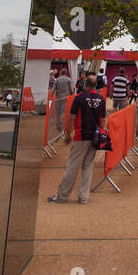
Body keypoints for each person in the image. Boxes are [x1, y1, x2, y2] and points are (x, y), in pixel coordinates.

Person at [47, 74, 106, 205]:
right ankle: (84, 197)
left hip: (81, 136)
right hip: (95, 136)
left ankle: (62, 196)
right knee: (88, 167)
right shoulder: (101, 99)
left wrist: (67, 134)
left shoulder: (79, 98)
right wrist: (102, 136)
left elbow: (72, 118)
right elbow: (103, 121)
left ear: (85, 84)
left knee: (72, 166)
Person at [52, 67, 73, 139]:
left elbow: (53, 89)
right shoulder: (68, 79)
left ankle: (58, 124)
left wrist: (51, 97)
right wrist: (72, 95)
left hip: (58, 98)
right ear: (66, 73)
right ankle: (61, 122)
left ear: (60, 73)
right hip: (65, 98)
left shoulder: (57, 79)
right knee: (63, 111)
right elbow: (70, 89)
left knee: (58, 111)